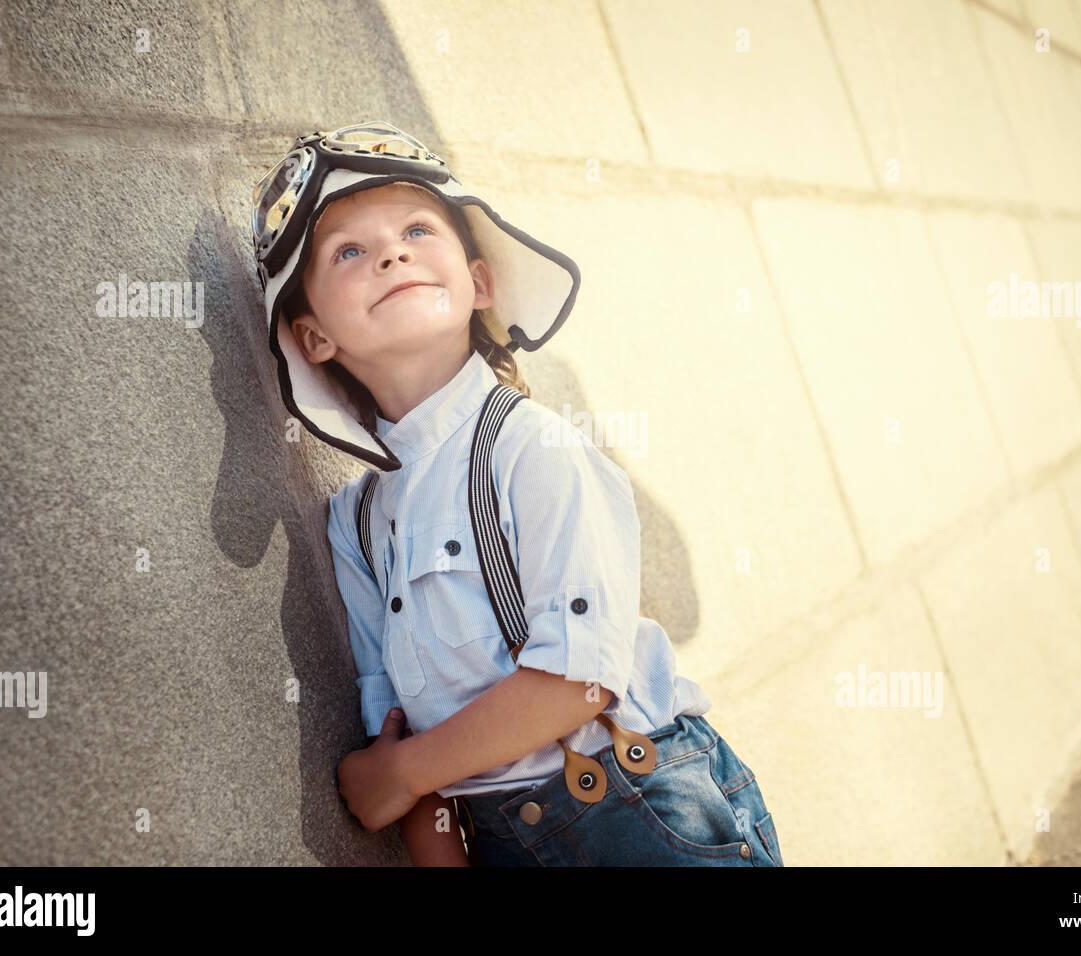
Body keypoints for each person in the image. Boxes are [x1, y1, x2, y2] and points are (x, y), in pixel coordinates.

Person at [251, 121, 784, 866]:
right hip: (503, 840)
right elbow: (396, 732)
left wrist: (400, 774)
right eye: (349, 251)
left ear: (480, 283)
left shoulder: (533, 446)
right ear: (312, 338)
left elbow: (576, 686)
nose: (392, 253)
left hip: (639, 814)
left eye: (414, 228)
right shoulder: (357, 521)